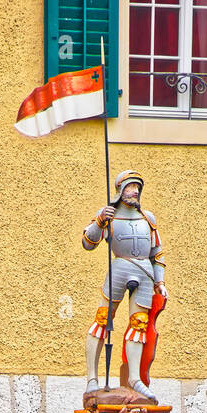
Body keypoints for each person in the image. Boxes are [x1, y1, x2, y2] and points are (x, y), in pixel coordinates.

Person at [82, 169, 167, 399]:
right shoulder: (109, 214)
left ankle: (134, 378)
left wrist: (160, 280)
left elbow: (157, 253)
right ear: (121, 190)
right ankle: (92, 378)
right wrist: (100, 222)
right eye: (131, 187)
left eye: (138, 188)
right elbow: (88, 242)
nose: (135, 191)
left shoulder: (148, 218)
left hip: (145, 273)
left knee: (139, 324)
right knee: (102, 319)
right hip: (119, 268)